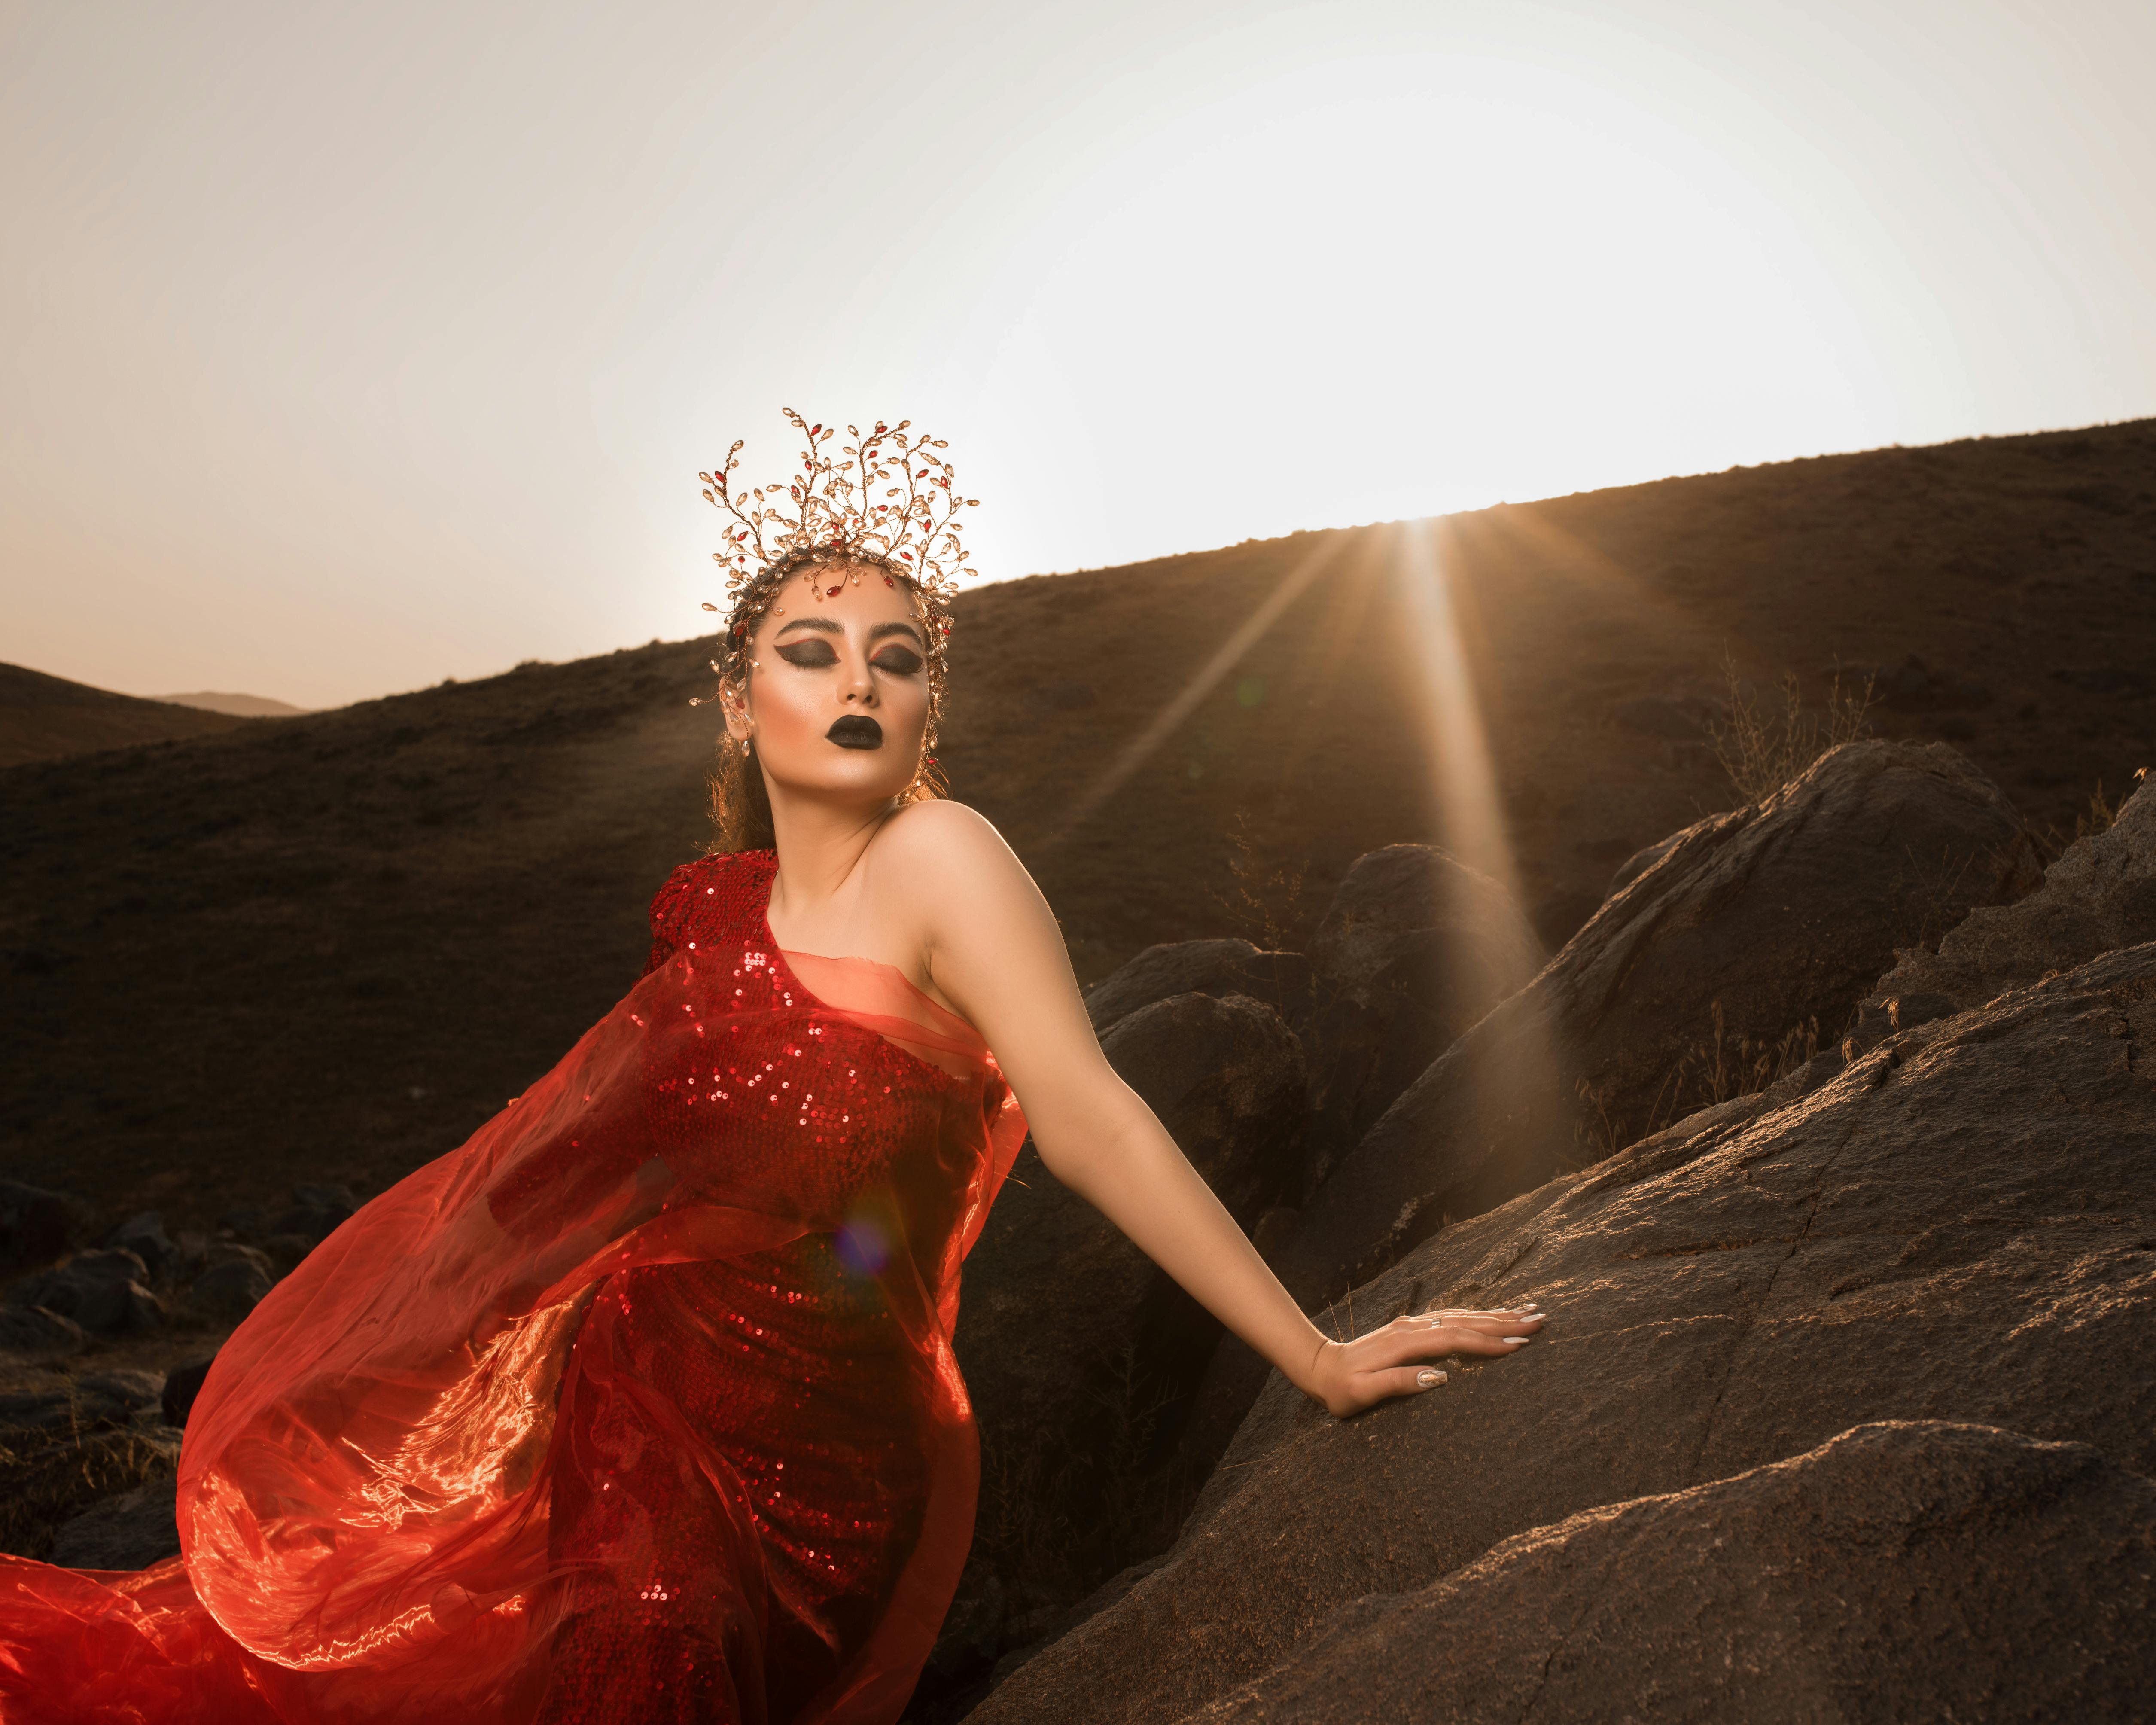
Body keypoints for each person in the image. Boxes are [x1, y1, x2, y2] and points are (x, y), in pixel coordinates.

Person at [0, 414, 1542, 1725]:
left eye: (900, 656)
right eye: (812, 652)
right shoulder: (715, 915)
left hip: (829, 1456)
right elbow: (580, 1169)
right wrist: (404, 1354)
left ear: (932, 702)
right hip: (638, 1411)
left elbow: (1093, 1118)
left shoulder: (948, 860)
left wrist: (1317, 1356)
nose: (859, 681)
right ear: (740, 699)